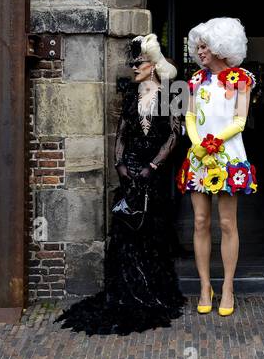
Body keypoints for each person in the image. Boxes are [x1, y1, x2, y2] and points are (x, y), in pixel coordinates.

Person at [58, 35, 184, 335]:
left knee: (150, 230)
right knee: (126, 229)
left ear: (152, 66)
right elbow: (121, 133)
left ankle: (152, 289)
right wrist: (120, 165)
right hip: (130, 170)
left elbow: (174, 135)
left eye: (138, 63)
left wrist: (154, 166)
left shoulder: (170, 94)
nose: (133, 67)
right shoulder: (131, 95)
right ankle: (127, 288)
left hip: (154, 172)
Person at [178, 17, 256, 318]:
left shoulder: (242, 80)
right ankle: (204, 286)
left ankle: (228, 287)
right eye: (197, 47)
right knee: (200, 221)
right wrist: (198, 145)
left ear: (222, 47)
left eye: (205, 46)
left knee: (227, 224)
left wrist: (213, 143)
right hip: (199, 158)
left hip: (228, 158)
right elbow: (188, 116)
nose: (199, 52)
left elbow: (239, 121)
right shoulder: (195, 82)